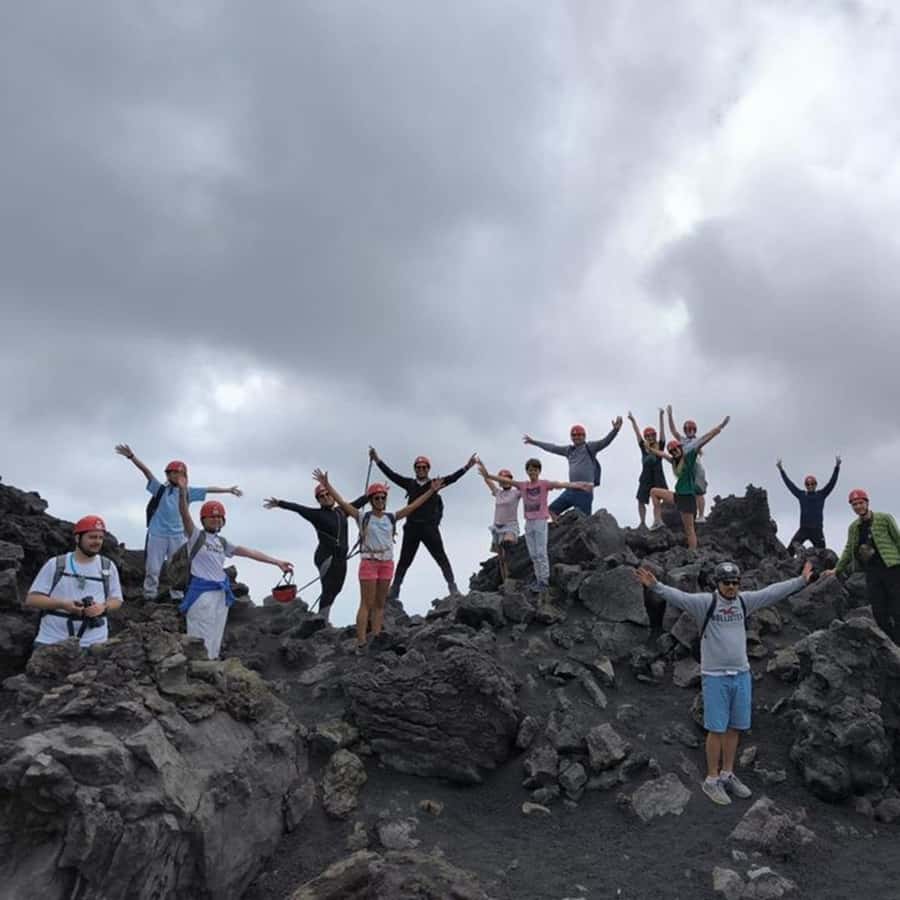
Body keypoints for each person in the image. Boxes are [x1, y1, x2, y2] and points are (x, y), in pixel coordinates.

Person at [635, 559, 812, 805]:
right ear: (717, 583)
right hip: (715, 676)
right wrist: (655, 586)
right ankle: (711, 779)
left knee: (735, 727)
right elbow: (678, 597)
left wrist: (801, 581)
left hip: (741, 674)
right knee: (716, 729)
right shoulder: (705, 604)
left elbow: (771, 593)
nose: (731, 587)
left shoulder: (743, 602)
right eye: (726, 582)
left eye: (735, 582)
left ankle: (728, 774)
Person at [312, 469, 444, 650]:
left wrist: (431, 491)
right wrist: (327, 485)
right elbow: (342, 502)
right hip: (369, 562)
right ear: (371, 500)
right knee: (366, 603)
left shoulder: (392, 517)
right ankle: (361, 643)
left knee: (380, 604)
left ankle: (375, 639)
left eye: (383, 497)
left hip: (387, 563)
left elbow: (413, 506)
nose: (380, 501)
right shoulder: (362, 517)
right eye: (377, 498)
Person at [176, 479, 292, 660]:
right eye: (211, 516)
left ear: (223, 521)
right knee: (199, 637)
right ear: (203, 519)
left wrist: (276, 562)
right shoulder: (196, 536)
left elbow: (249, 552)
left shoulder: (222, 543)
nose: (215, 519)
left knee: (215, 637)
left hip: (221, 595)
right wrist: (183, 493)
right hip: (201, 594)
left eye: (218, 517)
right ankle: (198, 670)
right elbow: (184, 515)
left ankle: (211, 672)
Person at [115, 444, 242, 601]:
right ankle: (149, 596)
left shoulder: (188, 492)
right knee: (153, 568)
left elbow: (208, 489)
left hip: (178, 535)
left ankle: (177, 597)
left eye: (178, 473)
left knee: (178, 568)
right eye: (171, 473)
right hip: (157, 533)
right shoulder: (160, 489)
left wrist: (228, 490)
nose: (174, 475)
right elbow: (147, 473)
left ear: (184, 475)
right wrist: (131, 456)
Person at [368, 447, 476, 600]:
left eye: (424, 467)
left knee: (441, 557)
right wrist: (378, 460)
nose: (421, 470)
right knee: (404, 560)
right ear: (415, 469)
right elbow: (392, 475)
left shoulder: (435, 483)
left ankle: (453, 587)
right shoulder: (409, 483)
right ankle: (395, 590)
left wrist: (466, 467)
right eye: (418, 467)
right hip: (412, 527)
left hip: (429, 528)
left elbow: (452, 478)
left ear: (428, 469)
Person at [481, 459, 592, 592]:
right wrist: (487, 474)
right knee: (533, 554)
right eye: (530, 469)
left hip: (540, 521)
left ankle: (544, 581)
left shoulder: (544, 484)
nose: (532, 472)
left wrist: (581, 485)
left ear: (539, 471)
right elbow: (506, 481)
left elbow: (562, 484)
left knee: (540, 552)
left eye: (535, 469)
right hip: (529, 522)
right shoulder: (523, 485)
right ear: (527, 471)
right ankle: (538, 579)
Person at [263, 485, 367, 622]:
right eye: (321, 496)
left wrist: (373, 493)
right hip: (326, 557)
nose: (325, 497)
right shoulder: (317, 515)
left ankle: (322, 618)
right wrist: (280, 503)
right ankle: (322, 620)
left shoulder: (342, 511)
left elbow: (359, 502)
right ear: (319, 500)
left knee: (336, 589)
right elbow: (298, 508)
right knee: (328, 589)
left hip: (340, 557)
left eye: (327, 494)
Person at [25, 515, 123, 648]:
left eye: (100, 538)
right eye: (92, 537)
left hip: (94, 644)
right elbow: (32, 599)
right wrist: (63, 604)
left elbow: (117, 600)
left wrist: (102, 607)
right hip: (51, 642)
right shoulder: (56, 564)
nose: (97, 542)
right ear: (78, 538)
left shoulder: (108, 566)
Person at [824, 489, 900, 643]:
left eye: (860, 503)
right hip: (872, 572)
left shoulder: (884, 518)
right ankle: (894, 644)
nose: (858, 506)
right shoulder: (854, 527)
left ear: (867, 503)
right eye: (854, 504)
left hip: (892, 568)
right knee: (879, 612)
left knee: (897, 609)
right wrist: (837, 569)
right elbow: (848, 549)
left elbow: (897, 539)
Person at [650, 416, 730, 550]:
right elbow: (662, 454)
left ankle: (693, 554)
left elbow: (703, 440)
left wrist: (719, 428)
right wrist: (650, 449)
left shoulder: (689, 457)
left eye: (676, 449)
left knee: (689, 530)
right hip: (678, 496)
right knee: (653, 491)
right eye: (672, 451)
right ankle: (657, 521)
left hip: (688, 499)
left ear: (680, 448)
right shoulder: (674, 460)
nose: (674, 452)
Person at [523, 418, 622, 518]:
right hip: (571, 489)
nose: (576, 437)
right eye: (574, 435)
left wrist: (615, 430)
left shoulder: (590, 447)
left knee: (584, 520)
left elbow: (604, 442)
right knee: (551, 510)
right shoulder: (568, 450)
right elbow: (552, 448)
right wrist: (534, 442)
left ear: (584, 436)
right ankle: (560, 529)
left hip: (585, 492)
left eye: (579, 435)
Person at [775, 456, 841, 554]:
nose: (810, 486)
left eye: (812, 484)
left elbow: (832, 483)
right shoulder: (801, 495)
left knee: (824, 555)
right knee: (789, 552)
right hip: (804, 529)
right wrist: (781, 470)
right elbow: (790, 485)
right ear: (805, 485)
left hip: (817, 530)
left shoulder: (821, 494)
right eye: (808, 484)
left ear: (816, 484)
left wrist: (837, 467)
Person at [476, 460, 521, 581]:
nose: (504, 481)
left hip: (510, 526)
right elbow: (488, 480)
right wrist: (482, 467)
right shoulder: (498, 493)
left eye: (507, 478)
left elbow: (526, 488)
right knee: (501, 558)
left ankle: (514, 575)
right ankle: (506, 580)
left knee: (507, 545)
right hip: (497, 528)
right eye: (502, 479)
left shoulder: (516, 493)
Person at [626, 410, 667, 529]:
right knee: (640, 500)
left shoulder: (660, 445)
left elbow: (663, 433)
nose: (650, 437)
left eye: (652, 435)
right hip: (645, 477)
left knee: (659, 500)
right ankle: (642, 522)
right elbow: (637, 434)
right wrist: (633, 421)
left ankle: (658, 520)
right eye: (647, 436)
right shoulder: (644, 447)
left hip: (658, 476)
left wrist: (661, 416)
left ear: (655, 436)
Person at [667, 407, 709, 522]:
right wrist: (670, 415)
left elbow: (701, 448)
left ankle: (701, 516)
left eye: (691, 429)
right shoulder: (682, 440)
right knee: (690, 493)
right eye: (687, 429)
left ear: (695, 430)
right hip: (686, 468)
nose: (689, 431)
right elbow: (673, 431)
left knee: (699, 491)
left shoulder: (697, 440)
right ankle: (693, 514)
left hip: (696, 467)